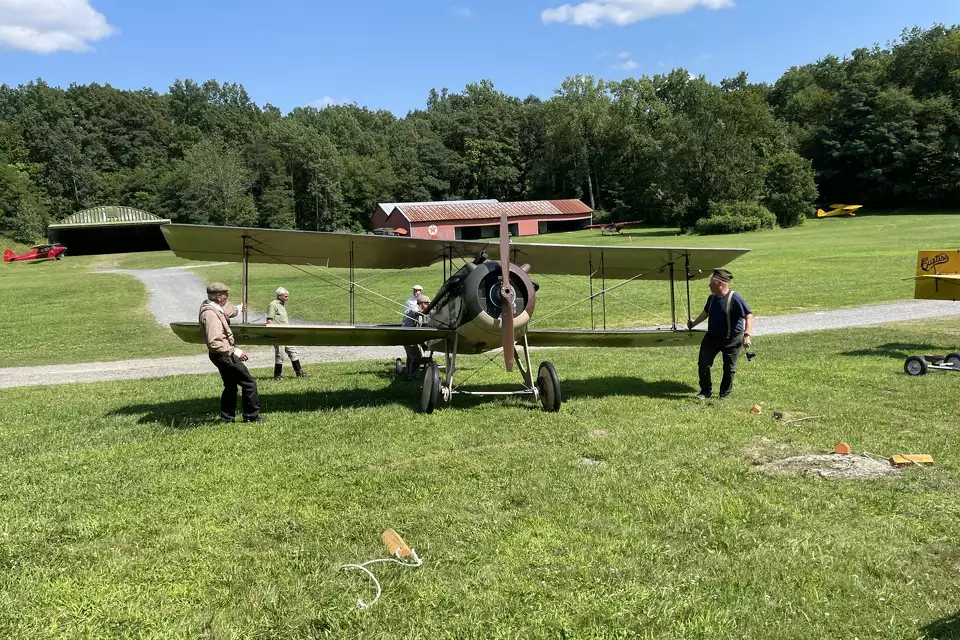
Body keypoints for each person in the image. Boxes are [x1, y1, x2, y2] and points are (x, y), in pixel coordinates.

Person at [199, 282, 266, 423]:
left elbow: (225, 312)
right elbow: (215, 342)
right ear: (218, 296)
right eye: (225, 294)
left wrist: (239, 309)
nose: (227, 297)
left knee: (230, 386)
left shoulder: (210, 306)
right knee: (249, 383)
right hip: (224, 355)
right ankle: (251, 416)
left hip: (220, 355)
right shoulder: (210, 315)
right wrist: (236, 351)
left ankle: (227, 418)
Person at [687, 268, 754, 400]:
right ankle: (705, 391)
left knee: (729, 368)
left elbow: (749, 316)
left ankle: (724, 394)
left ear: (719, 283)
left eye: (711, 282)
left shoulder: (735, 298)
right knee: (703, 363)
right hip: (712, 337)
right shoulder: (712, 298)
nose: (709, 285)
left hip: (732, 339)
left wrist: (747, 335)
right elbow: (706, 313)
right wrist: (693, 324)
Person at [266, 286, 306, 381]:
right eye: (285, 296)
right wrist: (274, 333)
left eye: (287, 296)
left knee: (293, 351)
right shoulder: (273, 305)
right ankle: (277, 375)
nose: (287, 298)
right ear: (279, 296)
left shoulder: (282, 305)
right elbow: (269, 320)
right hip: (278, 334)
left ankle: (299, 372)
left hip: (286, 333)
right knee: (280, 354)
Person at [401, 294, 431, 380]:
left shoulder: (418, 308)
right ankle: (412, 377)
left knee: (410, 356)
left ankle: (408, 373)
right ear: (421, 303)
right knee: (416, 357)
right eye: (427, 303)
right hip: (407, 336)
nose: (429, 305)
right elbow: (417, 312)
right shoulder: (414, 308)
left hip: (409, 335)